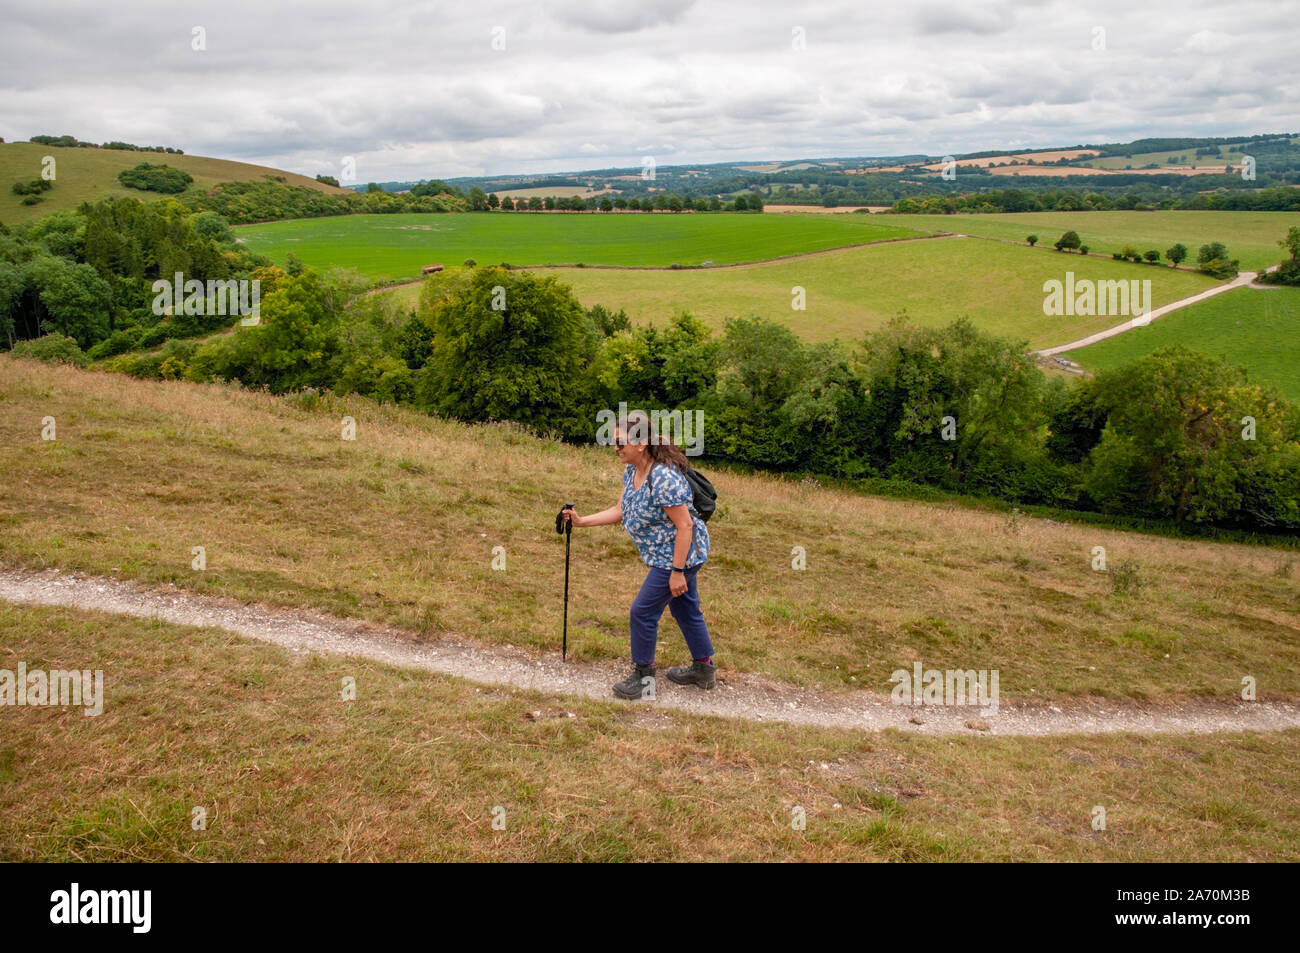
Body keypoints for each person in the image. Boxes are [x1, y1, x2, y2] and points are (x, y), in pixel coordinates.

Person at [562, 410, 715, 699]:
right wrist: (581, 521)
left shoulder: (664, 478)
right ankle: (703, 668)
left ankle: (644, 679)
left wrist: (677, 572)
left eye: (620, 443)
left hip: (677, 556)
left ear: (641, 443)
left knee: (642, 612)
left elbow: (685, 526)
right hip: (667, 555)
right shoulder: (633, 471)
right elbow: (621, 511)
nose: (615, 448)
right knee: (684, 607)